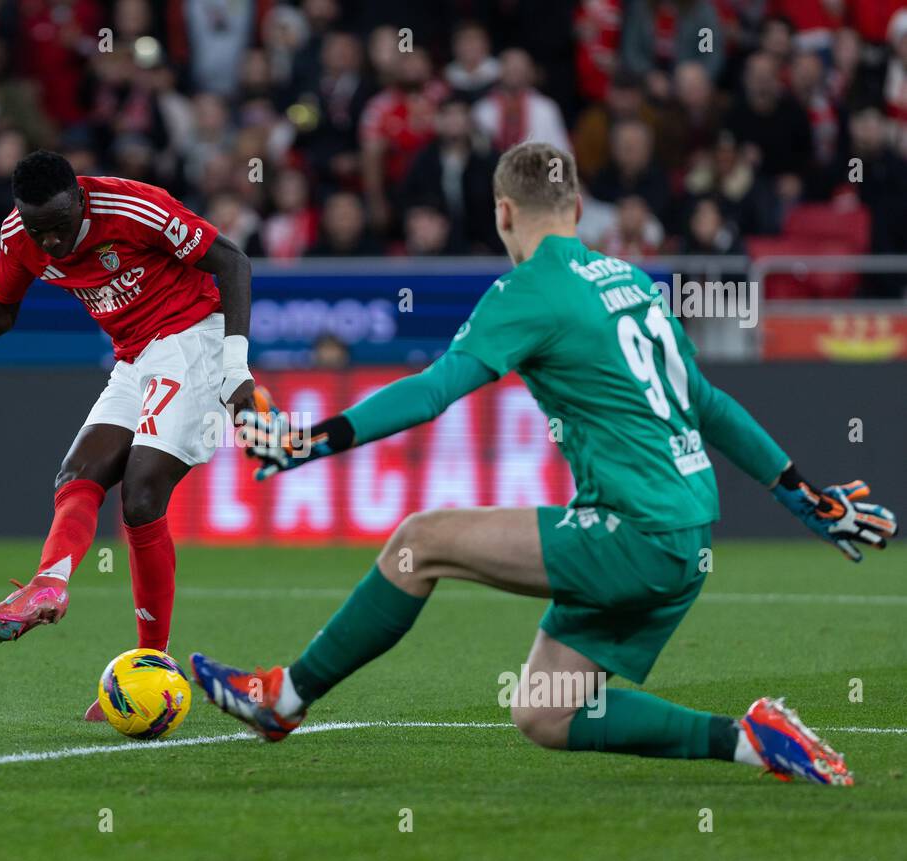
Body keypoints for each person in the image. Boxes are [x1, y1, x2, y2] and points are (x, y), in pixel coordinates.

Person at [191, 142, 897, 786]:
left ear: (502, 212)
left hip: (637, 533)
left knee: (420, 543)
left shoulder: (529, 290)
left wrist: (314, 440)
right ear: (579, 208)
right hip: (683, 538)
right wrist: (806, 495)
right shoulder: (632, 281)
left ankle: (283, 700)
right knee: (544, 713)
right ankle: (752, 738)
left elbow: (434, 391)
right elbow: (708, 403)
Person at [0, 150, 255, 720]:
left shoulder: (133, 207)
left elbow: (233, 262)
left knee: (140, 494)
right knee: (77, 474)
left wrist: (236, 368)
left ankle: (152, 664)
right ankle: (48, 584)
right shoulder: (21, 236)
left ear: (81, 199)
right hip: (135, 358)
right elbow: (2, 319)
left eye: (62, 227)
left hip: (195, 339)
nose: (55, 243)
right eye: (42, 231)